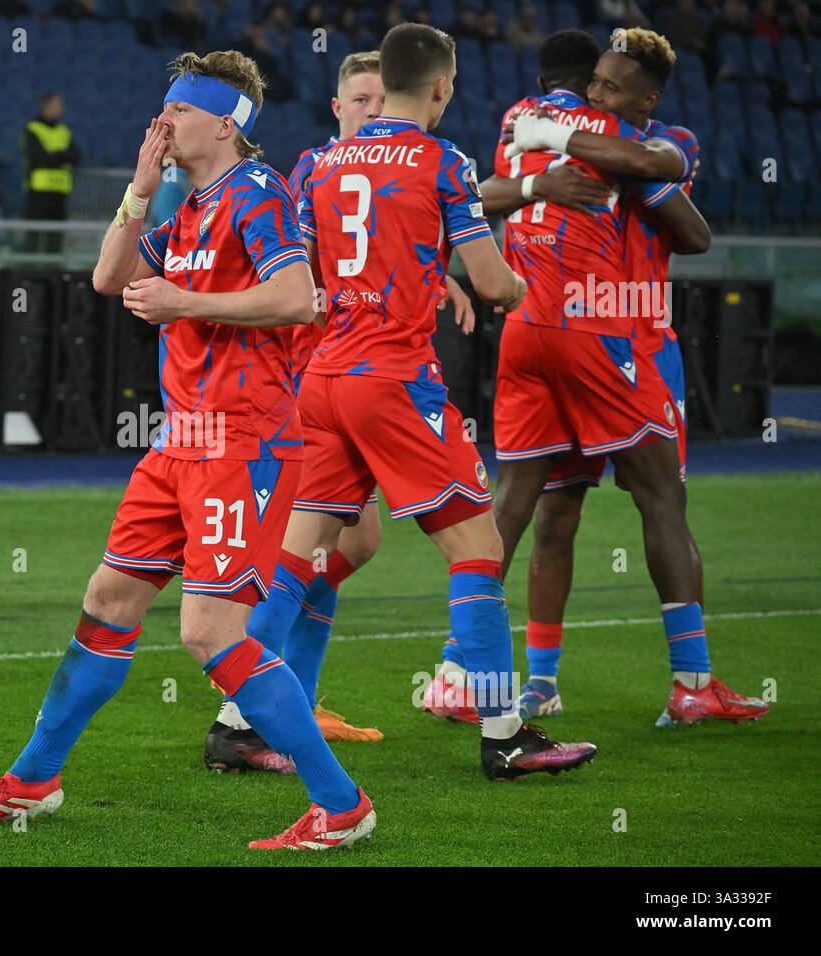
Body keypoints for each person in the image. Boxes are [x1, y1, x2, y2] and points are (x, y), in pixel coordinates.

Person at [0, 50, 377, 850]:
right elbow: (109, 276)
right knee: (107, 602)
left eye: (177, 110)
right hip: (180, 444)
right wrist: (140, 190)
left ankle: (340, 804)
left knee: (212, 634)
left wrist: (184, 299)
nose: (162, 120)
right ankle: (33, 782)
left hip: (245, 443)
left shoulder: (259, 191)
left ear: (225, 121)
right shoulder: (189, 205)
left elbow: (296, 297)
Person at [265, 22, 598, 781]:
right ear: (443, 87)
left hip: (325, 379)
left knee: (300, 559)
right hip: (394, 380)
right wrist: (515, 287)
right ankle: (506, 735)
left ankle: (237, 720)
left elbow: (309, 271)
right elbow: (491, 280)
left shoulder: (319, 163)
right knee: (477, 552)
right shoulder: (441, 160)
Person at [480, 29, 767, 727]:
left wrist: (583, 150)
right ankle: (541, 681)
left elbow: (691, 230)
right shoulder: (573, 131)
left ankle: (690, 679)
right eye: (595, 83)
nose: (597, 95)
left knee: (660, 499)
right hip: (587, 330)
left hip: (640, 335)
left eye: (611, 87)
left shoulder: (668, 142)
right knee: (559, 508)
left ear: (646, 97)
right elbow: (490, 191)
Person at [204, 48, 472, 763]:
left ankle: (283, 690)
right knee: (328, 541)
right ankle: (249, 690)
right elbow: (302, 277)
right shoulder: (313, 173)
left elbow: (386, 252)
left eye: (381, 98)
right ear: (337, 108)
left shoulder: (371, 174)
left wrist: (438, 279)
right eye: (360, 99)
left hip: (344, 375)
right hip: (316, 378)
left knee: (346, 542)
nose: (372, 110)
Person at [21, 92, 78, 253]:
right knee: (34, 232)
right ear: (47, 107)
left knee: (57, 234)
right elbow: (38, 157)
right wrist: (62, 155)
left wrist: (53, 156)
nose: (62, 109)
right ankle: (31, 267)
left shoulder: (64, 130)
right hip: (38, 190)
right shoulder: (32, 128)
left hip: (60, 190)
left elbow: (76, 156)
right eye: (58, 105)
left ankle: (53, 267)